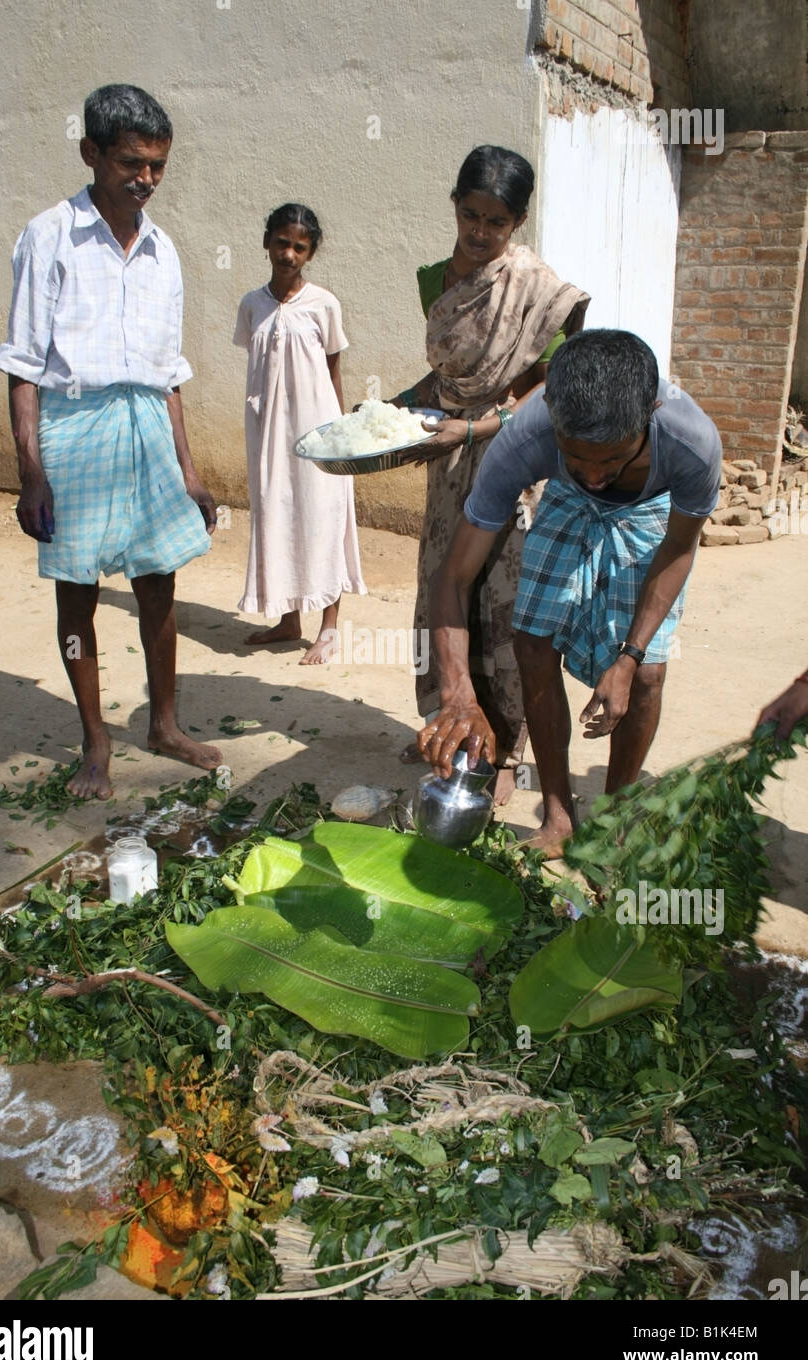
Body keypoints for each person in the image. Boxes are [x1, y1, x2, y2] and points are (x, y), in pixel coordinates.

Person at [0, 84, 219, 801]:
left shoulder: (164, 251)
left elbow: (169, 376)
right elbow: (24, 368)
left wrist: (189, 470)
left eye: (157, 165)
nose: (146, 179)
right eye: (131, 163)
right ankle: (95, 743)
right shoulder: (49, 235)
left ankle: (165, 724)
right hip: (76, 429)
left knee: (159, 583)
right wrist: (32, 473)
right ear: (91, 153)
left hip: (148, 427)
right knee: (78, 596)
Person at [418, 329, 722, 856]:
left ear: (648, 414)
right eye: (578, 459)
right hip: (565, 506)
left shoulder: (692, 445)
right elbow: (453, 575)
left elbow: (678, 549)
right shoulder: (524, 439)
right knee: (532, 642)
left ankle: (614, 819)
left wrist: (626, 658)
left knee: (648, 673)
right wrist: (458, 693)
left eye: (612, 459)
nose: (596, 475)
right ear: (554, 423)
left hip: (652, 514)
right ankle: (559, 817)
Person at [389, 145, 589, 802]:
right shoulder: (435, 281)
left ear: (518, 222)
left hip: (512, 458)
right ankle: (444, 720)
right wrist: (392, 410)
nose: (479, 233)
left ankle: (503, 750)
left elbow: (548, 390)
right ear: (454, 204)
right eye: (469, 215)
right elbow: (450, 382)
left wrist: (478, 427)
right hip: (447, 466)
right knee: (440, 592)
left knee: (502, 603)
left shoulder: (536, 292)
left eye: (495, 222)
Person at [234, 204, 366, 664]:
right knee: (277, 511)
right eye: (282, 243)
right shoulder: (252, 304)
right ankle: (289, 619)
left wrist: (341, 432)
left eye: (299, 247)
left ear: (310, 253)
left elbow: (332, 370)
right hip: (269, 430)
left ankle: (328, 627)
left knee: (323, 514)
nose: (288, 254)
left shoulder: (323, 304)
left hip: (318, 428)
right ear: (267, 241)